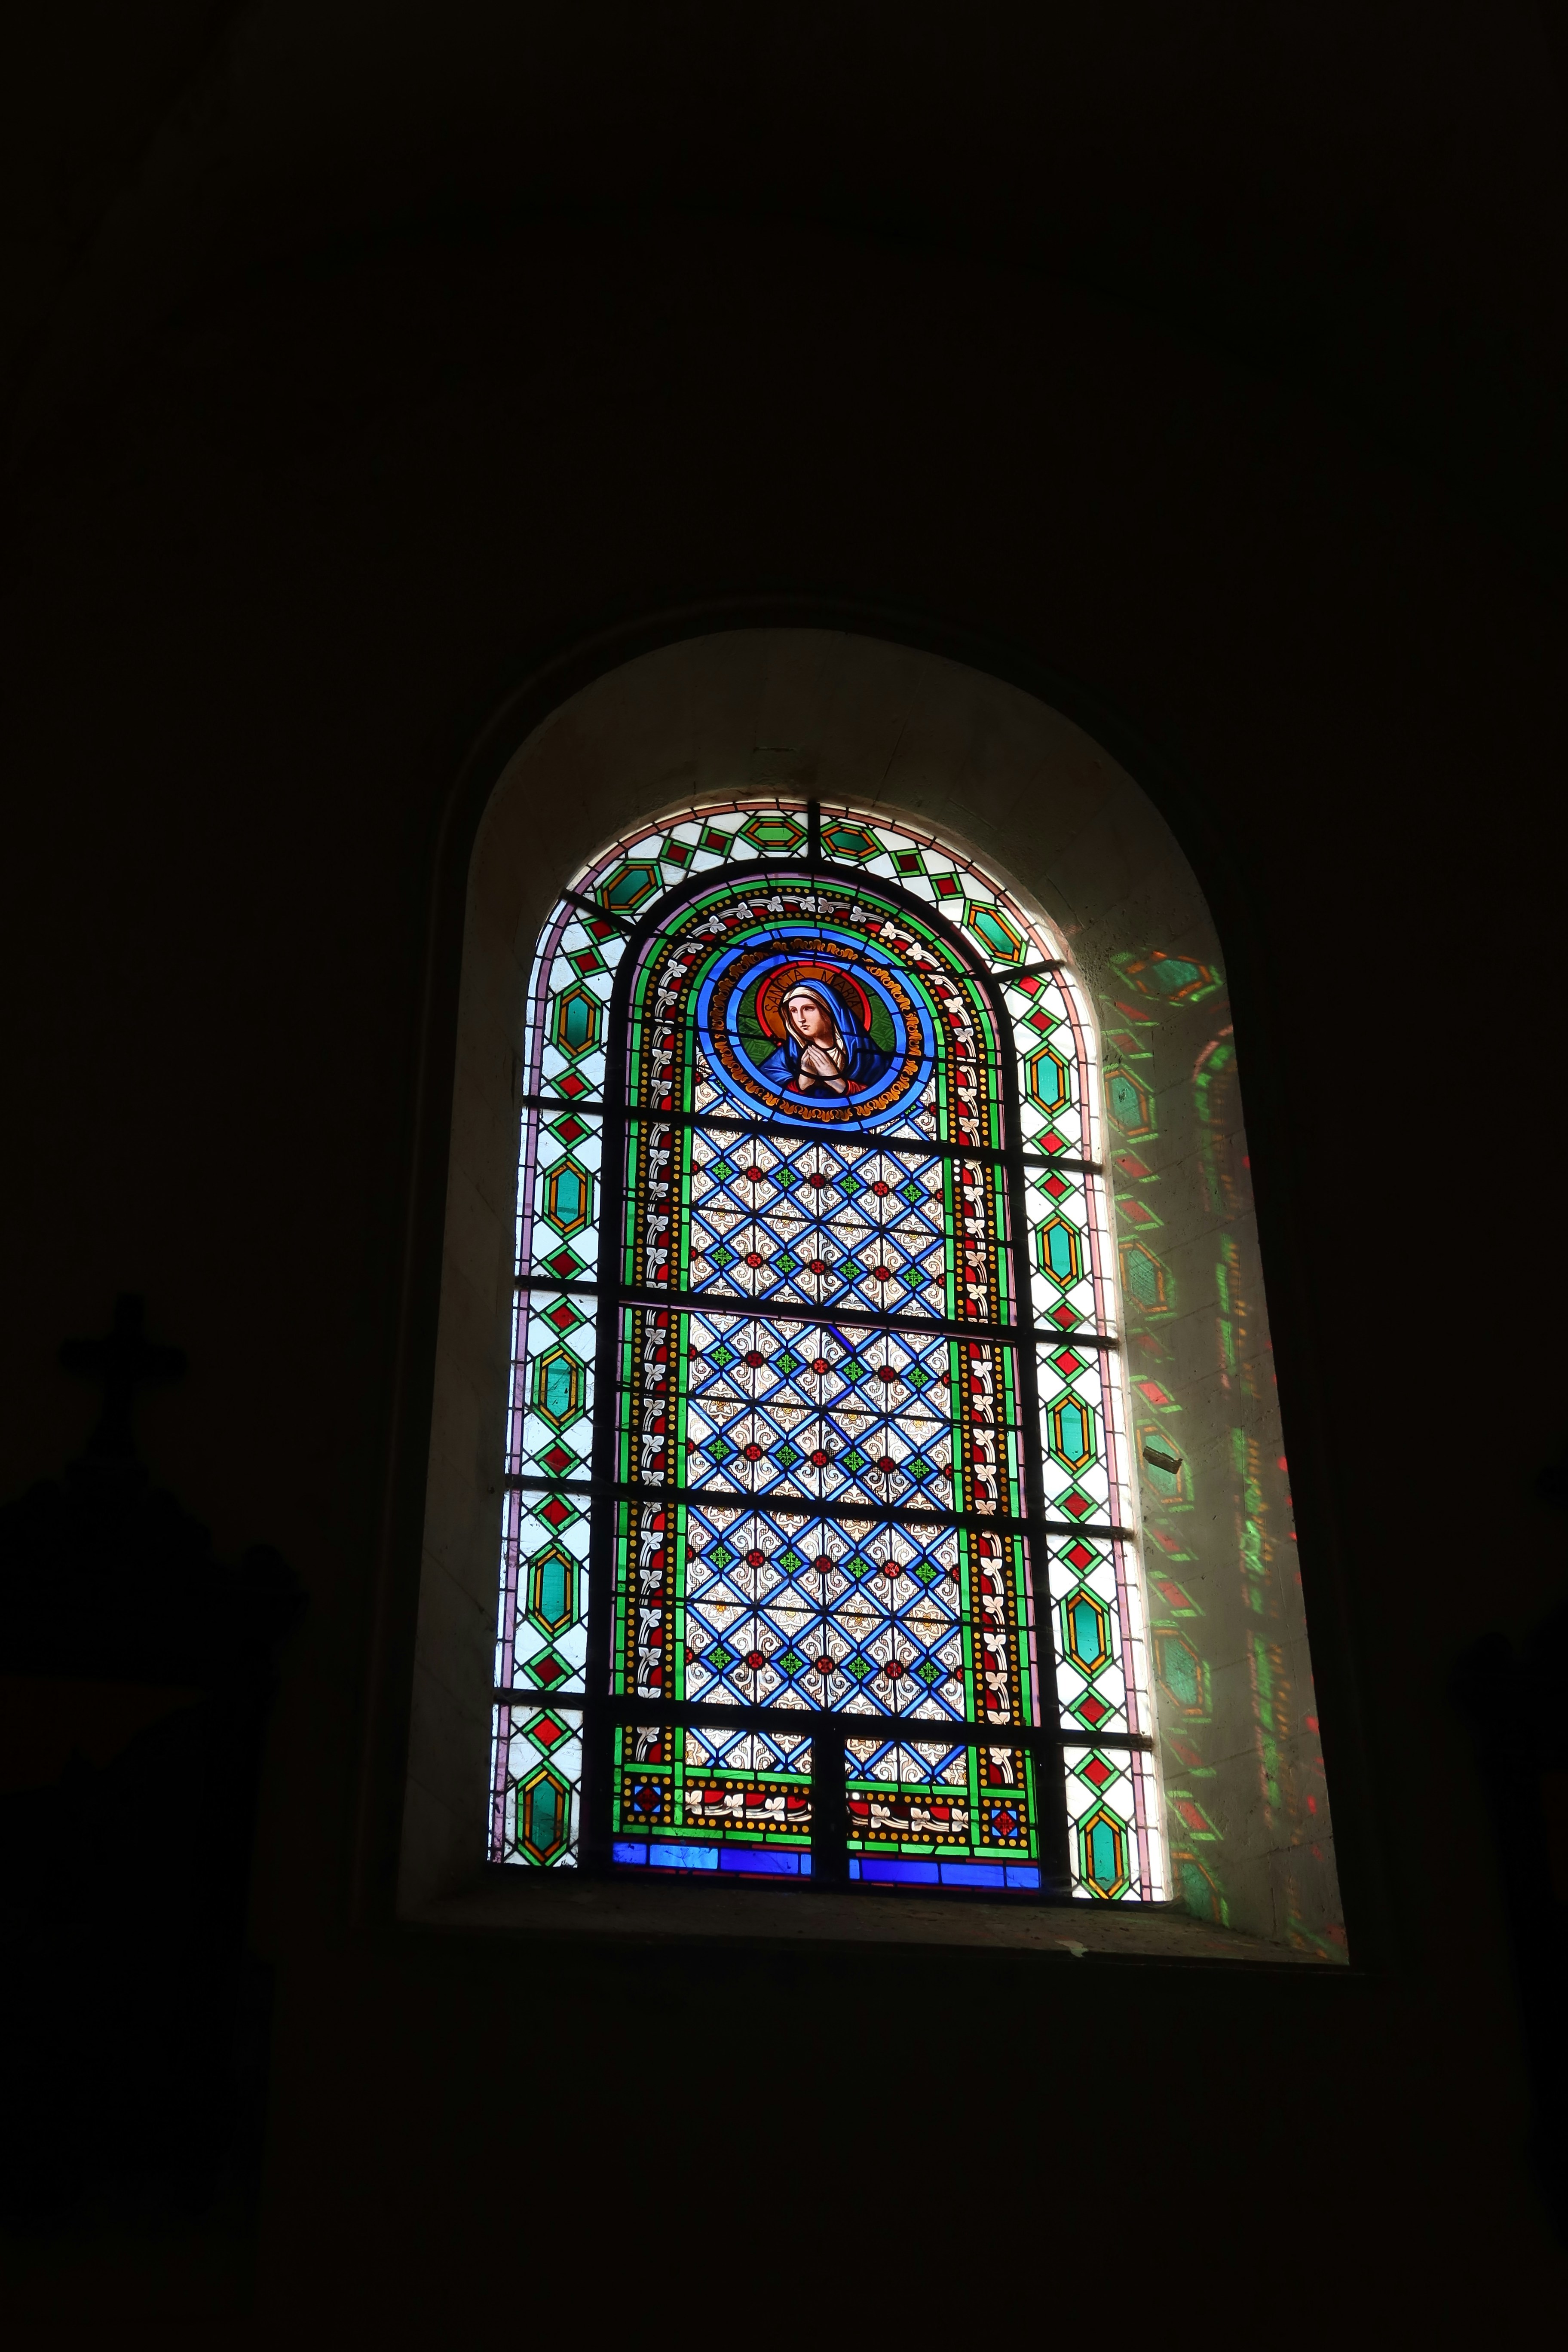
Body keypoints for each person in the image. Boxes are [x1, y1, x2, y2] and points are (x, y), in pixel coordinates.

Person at [754, 977, 893, 1100]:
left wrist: (838, 1082)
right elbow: (759, 1094)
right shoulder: (786, 1057)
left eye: (808, 1009)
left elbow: (888, 1098)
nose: (800, 1019)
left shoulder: (868, 1057)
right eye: (793, 1011)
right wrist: (800, 1084)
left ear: (829, 1010)